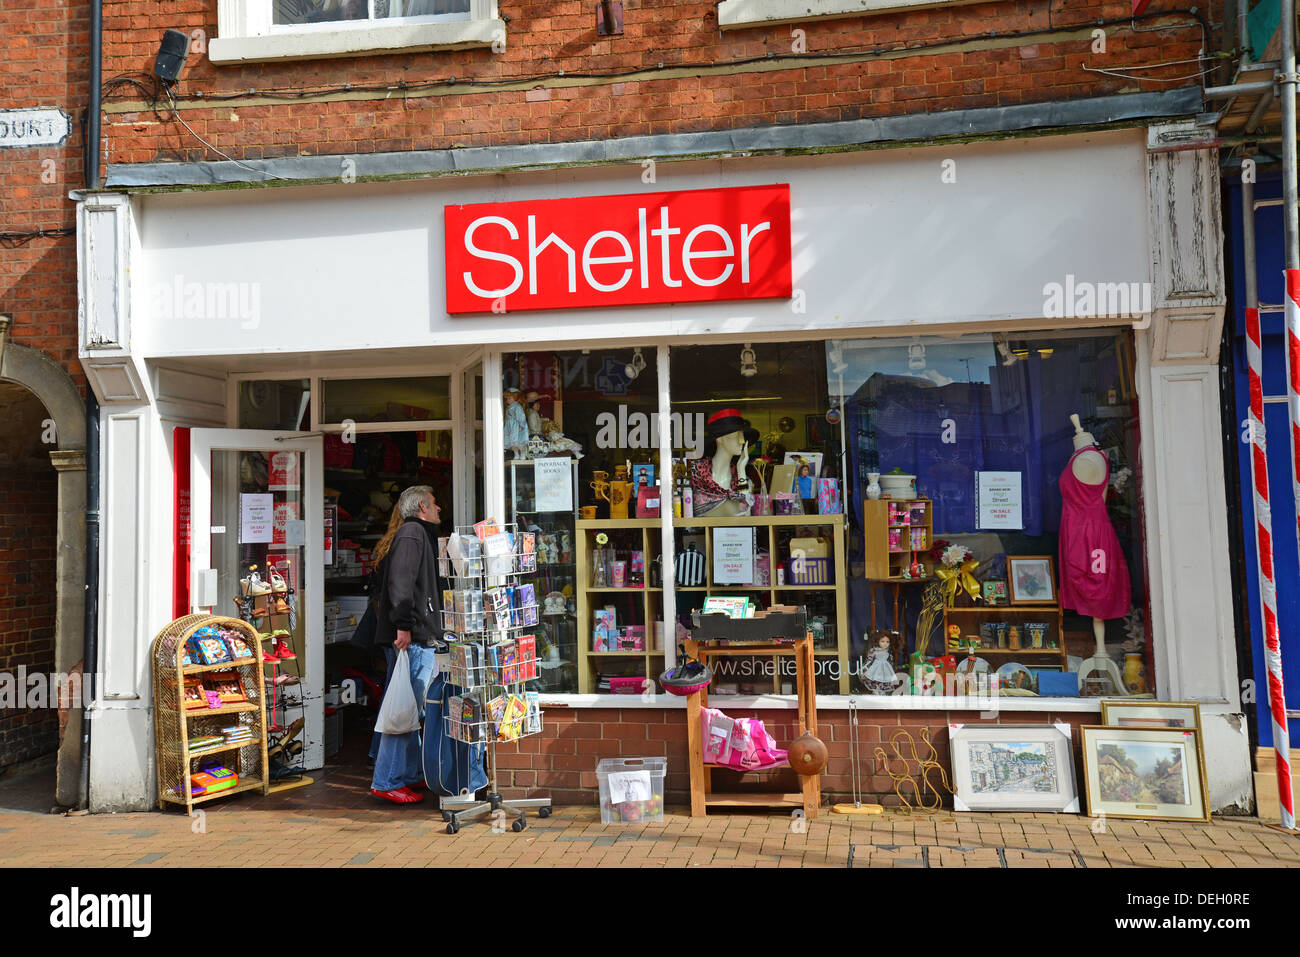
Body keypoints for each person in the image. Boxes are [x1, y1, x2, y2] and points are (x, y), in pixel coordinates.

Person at [370, 485, 445, 805]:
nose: (439, 508)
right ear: (422, 507)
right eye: (434, 503)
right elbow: (400, 582)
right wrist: (403, 626)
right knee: (404, 709)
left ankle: (409, 773)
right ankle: (387, 780)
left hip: (416, 636)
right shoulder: (412, 534)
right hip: (411, 639)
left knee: (412, 709)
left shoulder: (416, 535)